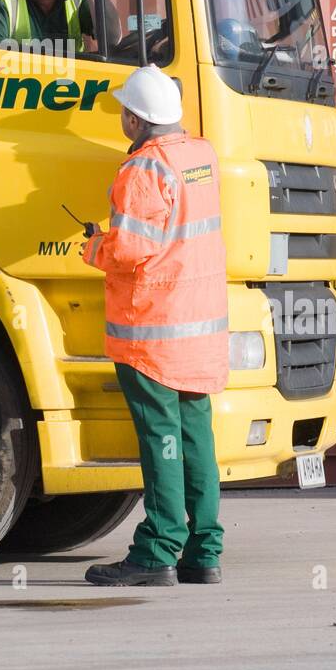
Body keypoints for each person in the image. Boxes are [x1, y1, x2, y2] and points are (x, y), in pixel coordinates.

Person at [82, 65, 229, 587]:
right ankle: (202, 551)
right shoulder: (200, 157)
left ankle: (155, 553)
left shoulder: (144, 170)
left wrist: (94, 244)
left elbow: (132, 248)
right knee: (196, 444)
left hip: (153, 337)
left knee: (161, 443)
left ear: (135, 118)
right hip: (199, 332)